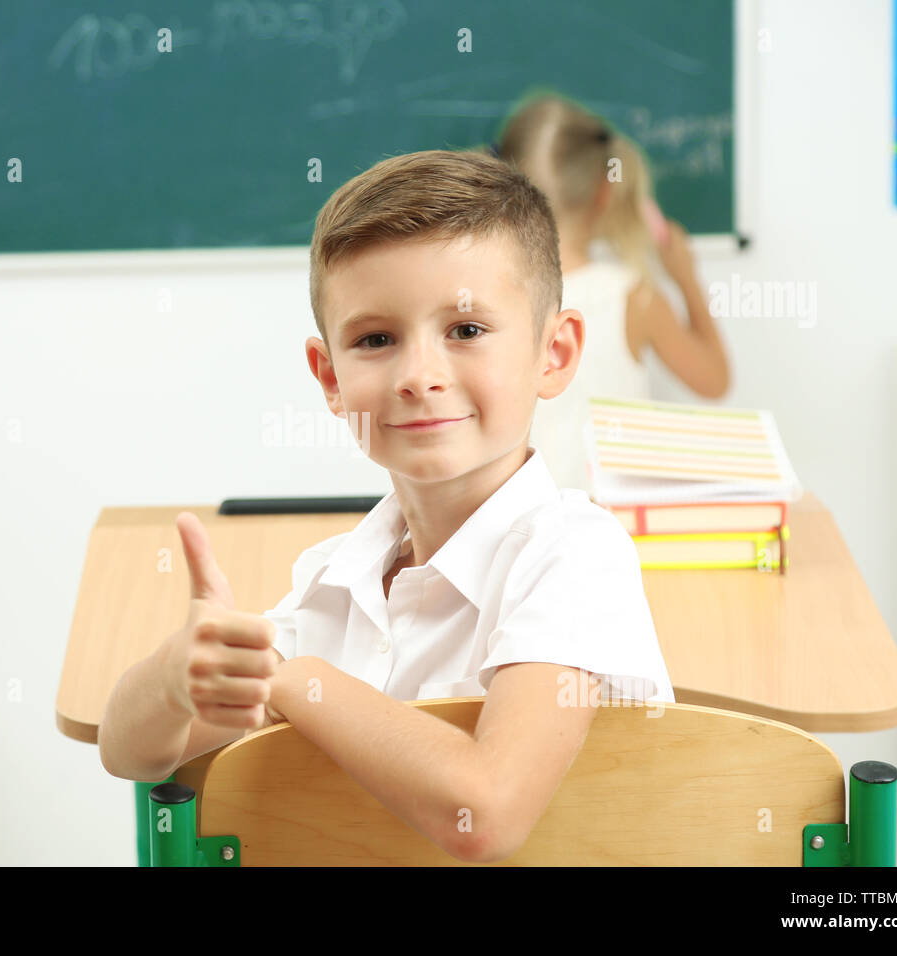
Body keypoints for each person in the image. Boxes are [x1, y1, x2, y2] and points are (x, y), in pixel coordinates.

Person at [99, 149, 674, 863]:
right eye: (376, 340)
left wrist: (300, 680)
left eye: (465, 331)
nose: (419, 376)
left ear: (553, 353)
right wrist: (174, 674)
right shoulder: (331, 581)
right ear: (329, 377)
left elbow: (484, 812)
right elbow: (130, 754)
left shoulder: (573, 554)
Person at [497, 93, 732, 491]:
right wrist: (687, 279)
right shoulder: (632, 295)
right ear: (605, 194)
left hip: (521, 526)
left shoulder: (489, 295)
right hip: (614, 528)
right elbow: (714, 380)